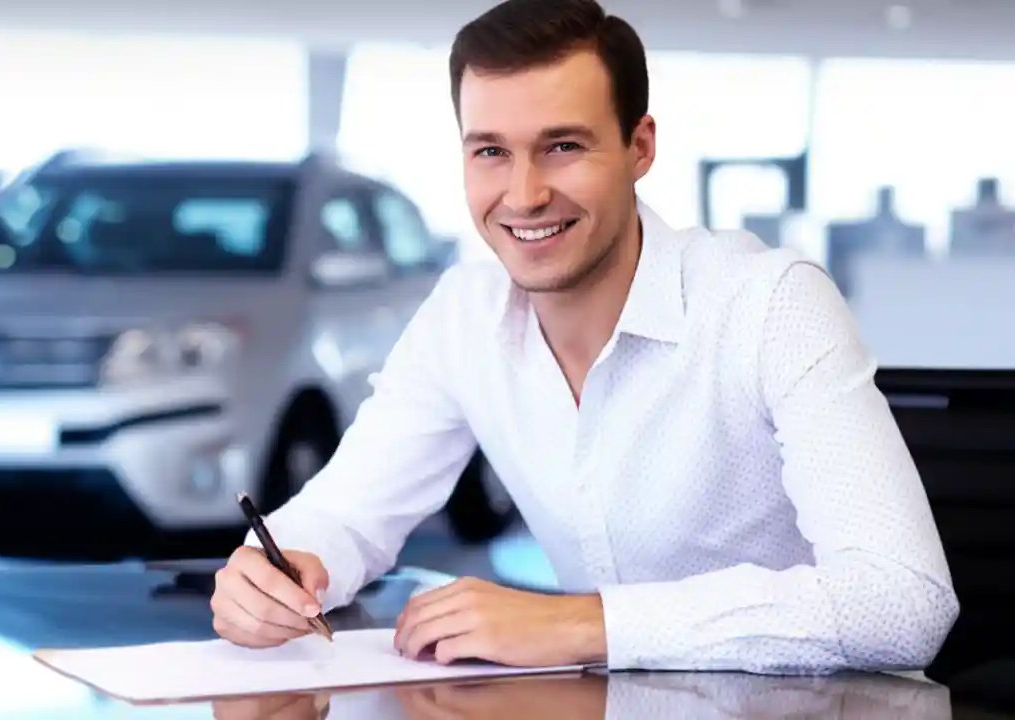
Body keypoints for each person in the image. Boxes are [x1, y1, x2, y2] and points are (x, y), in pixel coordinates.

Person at [210, 0, 958, 673]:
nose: (525, 193)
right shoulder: (463, 315)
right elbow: (346, 512)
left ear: (640, 148)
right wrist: (278, 567)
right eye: (491, 151)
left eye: (563, 146)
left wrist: (586, 624)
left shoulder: (770, 305)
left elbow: (901, 603)